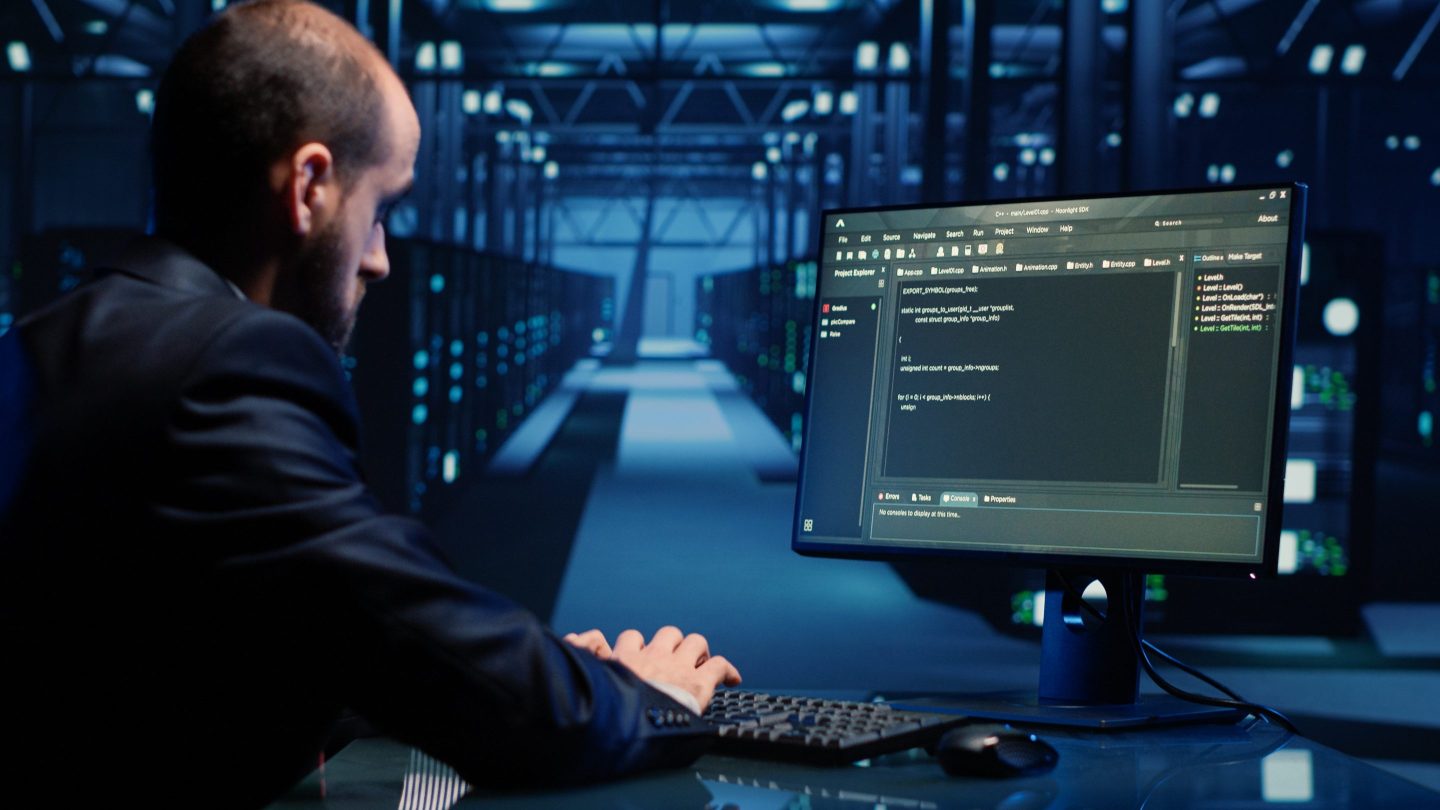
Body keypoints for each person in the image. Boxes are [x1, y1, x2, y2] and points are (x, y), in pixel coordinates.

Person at [0, 0, 738, 805]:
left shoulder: (46, 343)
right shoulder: (234, 364)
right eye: (380, 210)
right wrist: (642, 699)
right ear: (310, 185)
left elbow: (186, 650)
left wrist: (521, 668)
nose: (382, 260)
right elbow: (399, 616)